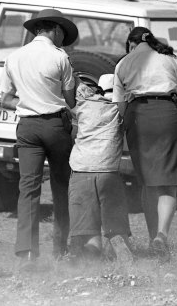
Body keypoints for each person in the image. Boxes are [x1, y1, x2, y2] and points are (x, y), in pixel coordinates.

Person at [0, 8, 79, 271]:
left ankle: (27, 252)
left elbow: (5, 98)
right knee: (60, 186)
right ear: (54, 29)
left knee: (29, 189)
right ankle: (60, 247)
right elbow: (69, 101)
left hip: (27, 128)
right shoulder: (60, 57)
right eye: (61, 33)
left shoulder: (14, 57)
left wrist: (28, 102)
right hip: (55, 125)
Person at [112, 27, 177, 261]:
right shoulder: (170, 59)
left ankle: (151, 238)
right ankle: (161, 237)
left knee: (147, 181)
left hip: (139, 116)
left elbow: (119, 105)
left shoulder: (123, 64)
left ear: (131, 44)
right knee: (168, 180)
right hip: (169, 114)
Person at [68, 74, 133, 263]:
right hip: (109, 173)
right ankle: (119, 245)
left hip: (82, 172)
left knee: (88, 233)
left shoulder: (82, 105)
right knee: (116, 228)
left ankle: (91, 256)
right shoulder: (120, 109)